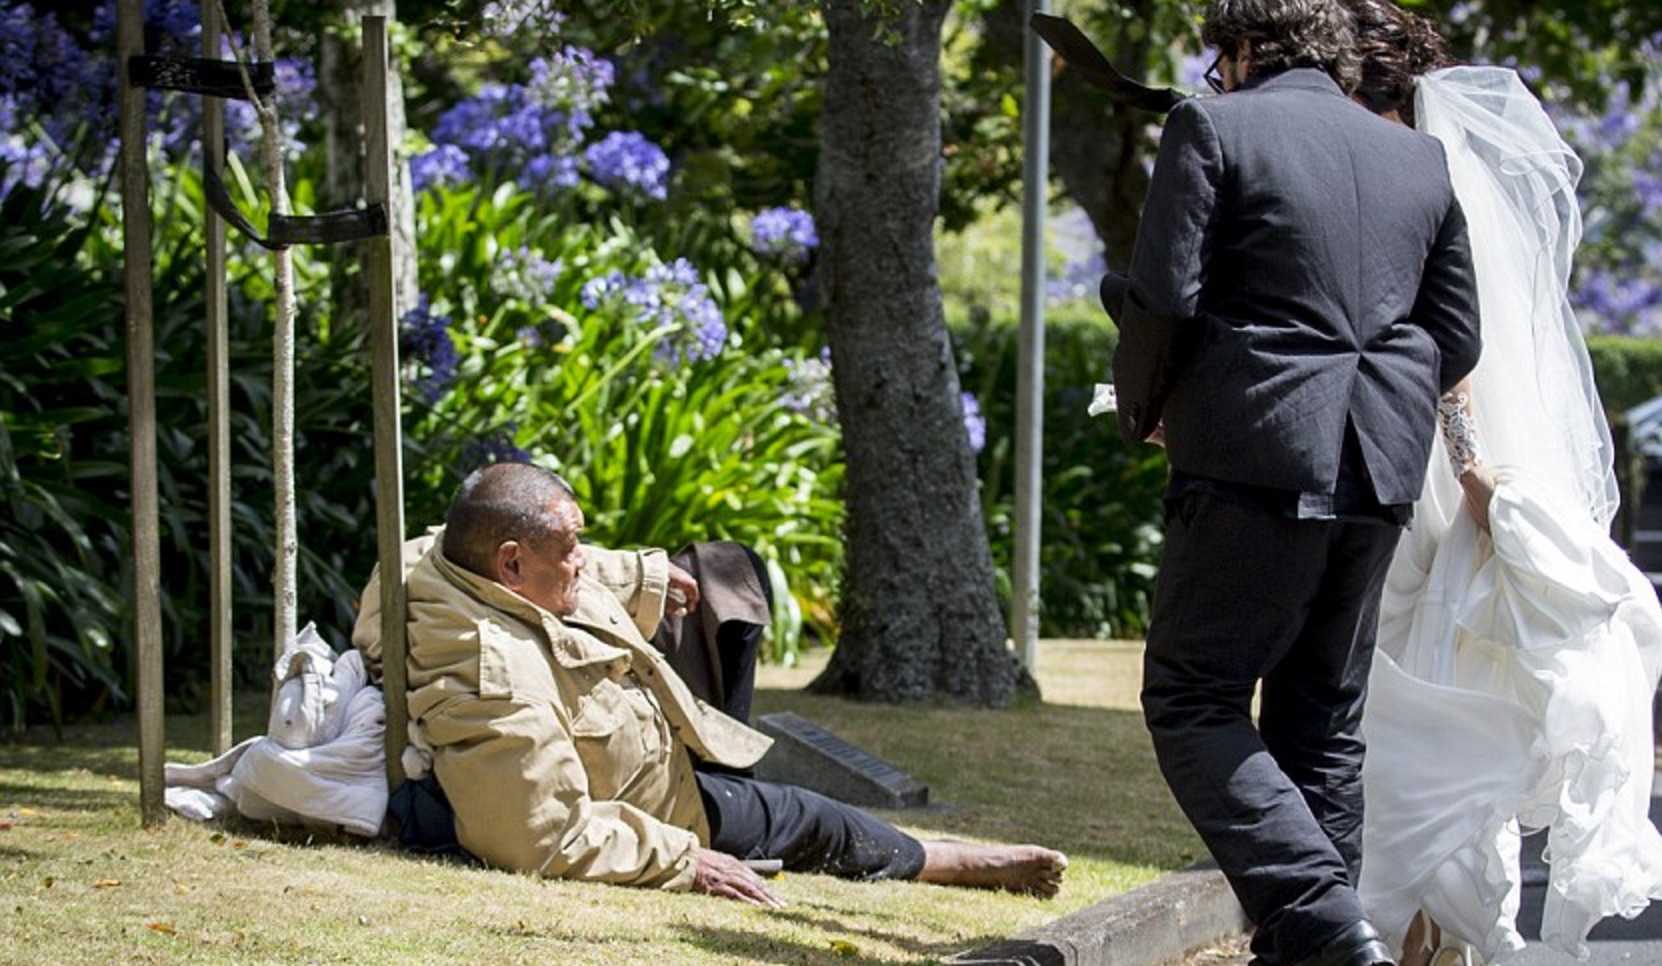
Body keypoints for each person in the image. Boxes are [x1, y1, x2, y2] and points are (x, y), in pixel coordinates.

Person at [1106, 0, 1483, 963]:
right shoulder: (1419, 158)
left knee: (1192, 697)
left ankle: (1321, 919)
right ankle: (1316, 948)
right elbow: (1457, 336)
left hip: (1254, 459)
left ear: (1242, 50)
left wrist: (1146, 407)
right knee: (1323, 724)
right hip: (1382, 468)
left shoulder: (1211, 127)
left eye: (1217, 61)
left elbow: (1163, 300)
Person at [353, 461, 1067, 905]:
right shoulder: (496, 680)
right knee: (808, 817)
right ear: (512, 566)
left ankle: (727, 765)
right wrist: (686, 860)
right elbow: (540, 837)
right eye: (571, 549)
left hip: (629, 718)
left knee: (729, 577)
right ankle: (948, 861)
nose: (582, 560)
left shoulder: (437, 558)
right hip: (651, 800)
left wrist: (644, 574)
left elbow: (537, 556)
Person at [1338, 4, 1662, 964]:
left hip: (1427, 466)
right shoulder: (1425, 169)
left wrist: (1471, 465)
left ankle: (1420, 920)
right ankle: (1424, 920)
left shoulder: (1410, 177)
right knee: (1417, 682)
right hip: (1413, 454)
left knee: (1414, 679)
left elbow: (1456, 340)